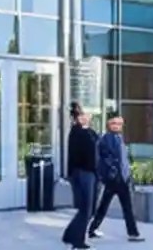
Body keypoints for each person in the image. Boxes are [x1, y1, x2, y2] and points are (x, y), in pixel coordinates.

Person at [88, 114, 143, 243]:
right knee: (126, 207)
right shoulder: (106, 139)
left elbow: (123, 159)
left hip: (120, 178)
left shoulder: (118, 138)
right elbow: (106, 159)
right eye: (114, 123)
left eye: (119, 124)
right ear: (108, 124)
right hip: (116, 179)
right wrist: (115, 172)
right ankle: (133, 233)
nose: (117, 126)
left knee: (104, 205)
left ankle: (92, 229)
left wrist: (128, 173)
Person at [61, 103, 98, 249]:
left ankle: (70, 235)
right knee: (86, 209)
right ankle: (76, 239)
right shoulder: (79, 133)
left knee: (88, 209)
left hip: (88, 173)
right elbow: (88, 153)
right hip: (85, 173)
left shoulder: (85, 132)